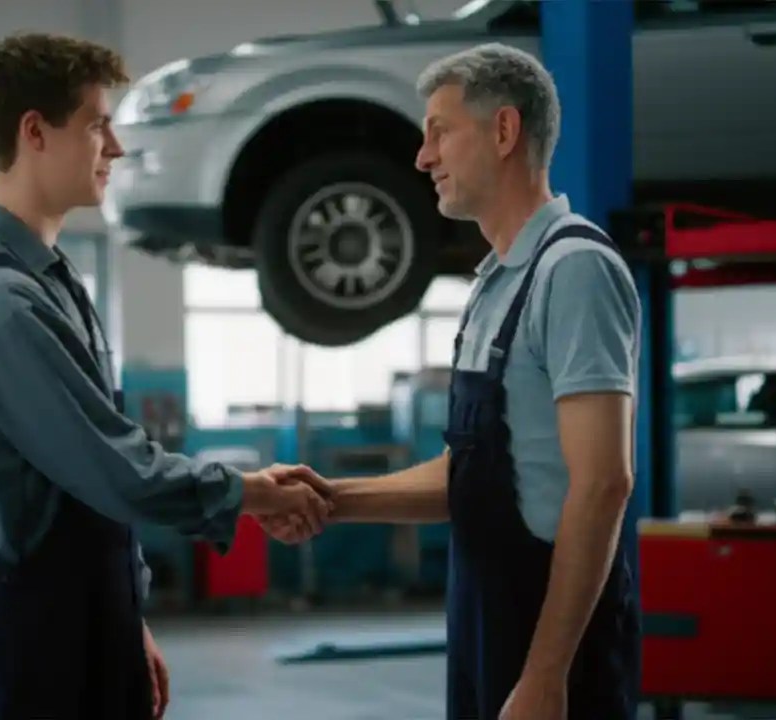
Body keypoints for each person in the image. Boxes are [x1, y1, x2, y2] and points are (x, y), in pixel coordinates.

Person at [0, 33, 332, 720]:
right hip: (32, 645)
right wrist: (254, 493)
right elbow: (115, 471)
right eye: (96, 125)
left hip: (86, 622)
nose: (114, 147)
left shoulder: (51, 283)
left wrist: (128, 613)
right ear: (35, 133)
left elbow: (88, 491)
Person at [261, 43, 642, 720]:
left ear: (502, 131)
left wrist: (547, 675)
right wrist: (329, 499)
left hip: (550, 638)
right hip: (485, 621)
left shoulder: (574, 268)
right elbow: (475, 472)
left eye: (439, 132)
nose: (421, 157)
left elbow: (604, 482)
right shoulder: (496, 283)